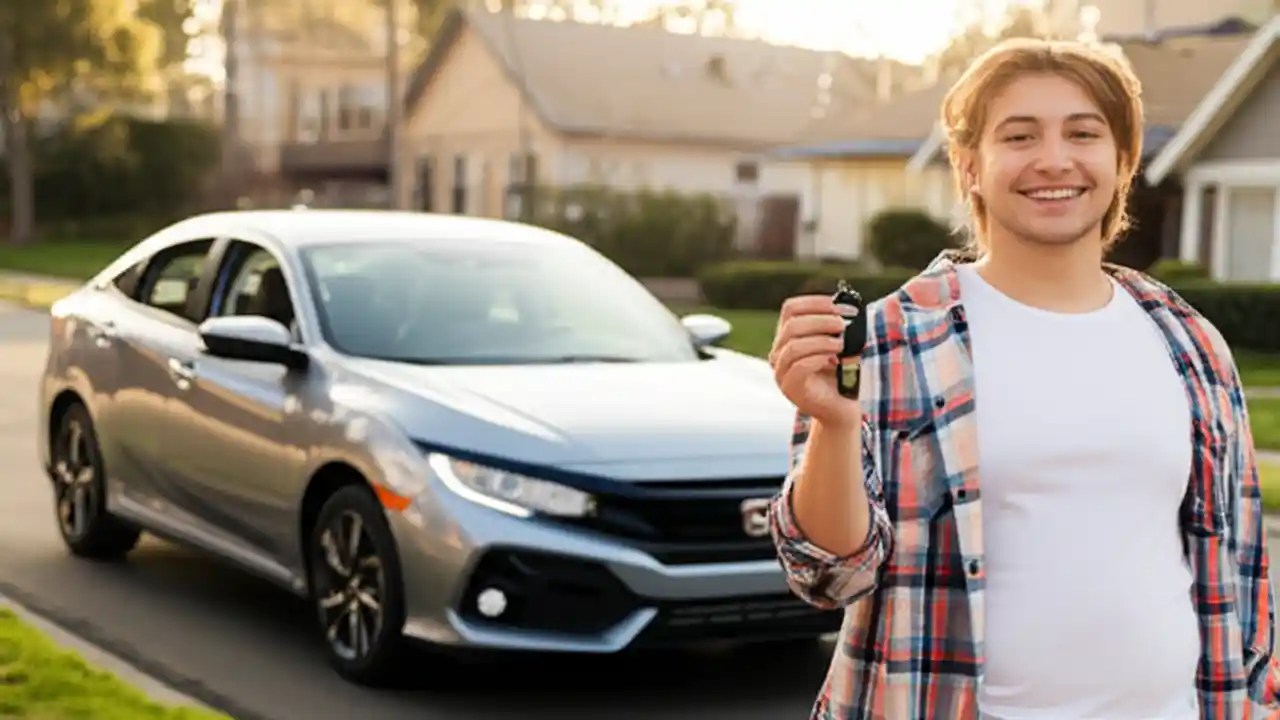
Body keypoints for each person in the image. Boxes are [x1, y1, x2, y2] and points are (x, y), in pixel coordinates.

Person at [766, 37, 1280, 720]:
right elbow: (829, 575)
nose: (1054, 160)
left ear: (1123, 160)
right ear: (970, 165)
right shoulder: (890, 342)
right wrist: (834, 423)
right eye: (1019, 135)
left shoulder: (1189, 344)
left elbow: (1243, 573)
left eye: (1083, 133)